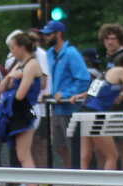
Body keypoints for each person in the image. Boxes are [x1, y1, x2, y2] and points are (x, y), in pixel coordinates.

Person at [0, 29, 46, 186]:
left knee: (24, 153)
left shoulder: (32, 64)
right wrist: (11, 75)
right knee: (22, 154)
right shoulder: (19, 64)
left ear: (21, 47)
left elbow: (20, 93)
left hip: (29, 111)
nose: (12, 52)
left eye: (13, 48)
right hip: (19, 112)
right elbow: (1, 88)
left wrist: (19, 77)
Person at [73, 54, 123, 169]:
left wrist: (120, 94)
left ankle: (81, 185)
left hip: (85, 110)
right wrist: (121, 97)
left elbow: (95, 91)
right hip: (96, 114)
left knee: (86, 154)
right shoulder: (120, 71)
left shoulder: (106, 73)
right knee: (112, 155)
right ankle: (108, 185)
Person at [40, 20, 91, 173]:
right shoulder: (48, 54)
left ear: (59, 34)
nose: (46, 37)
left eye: (49, 34)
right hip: (56, 109)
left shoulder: (71, 53)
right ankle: (72, 179)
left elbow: (83, 79)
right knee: (59, 147)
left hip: (70, 109)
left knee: (74, 147)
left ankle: (79, 182)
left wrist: (66, 93)